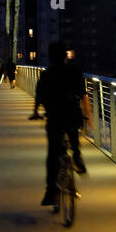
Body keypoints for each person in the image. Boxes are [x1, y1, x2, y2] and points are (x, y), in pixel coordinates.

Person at [31, 42, 91, 207]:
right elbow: (83, 95)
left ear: (50, 57)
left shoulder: (47, 74)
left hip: (55, 117)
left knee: (53, 153)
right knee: (73, 135)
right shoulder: (74, 71)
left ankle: (51, 191)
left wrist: (36, 112)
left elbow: (39, 95)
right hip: (73, 115)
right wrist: (87, 116)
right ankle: (77, 156)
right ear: (66, 55)